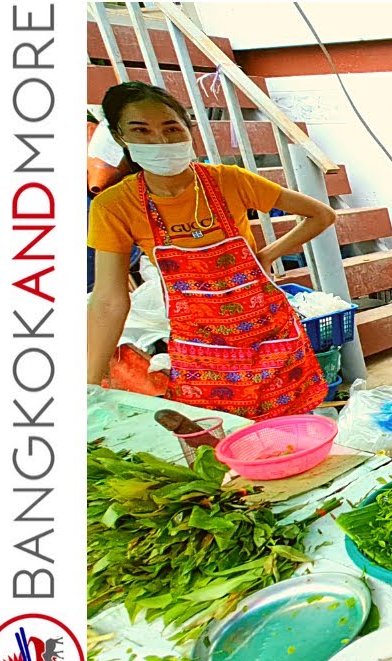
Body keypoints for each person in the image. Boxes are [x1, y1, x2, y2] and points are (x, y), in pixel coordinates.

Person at [87, 82, 335, 419]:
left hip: (268, 335)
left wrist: (266, 255)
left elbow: (321, 214)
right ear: (120, 137)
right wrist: (91, 380)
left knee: (292, 428)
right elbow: (108, 300)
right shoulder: (115, 205)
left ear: (188, 131)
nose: (160, 141)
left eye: (171, 128)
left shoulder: (229, 180)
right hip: (201, 350)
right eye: (140, 130)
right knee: (220, 431)